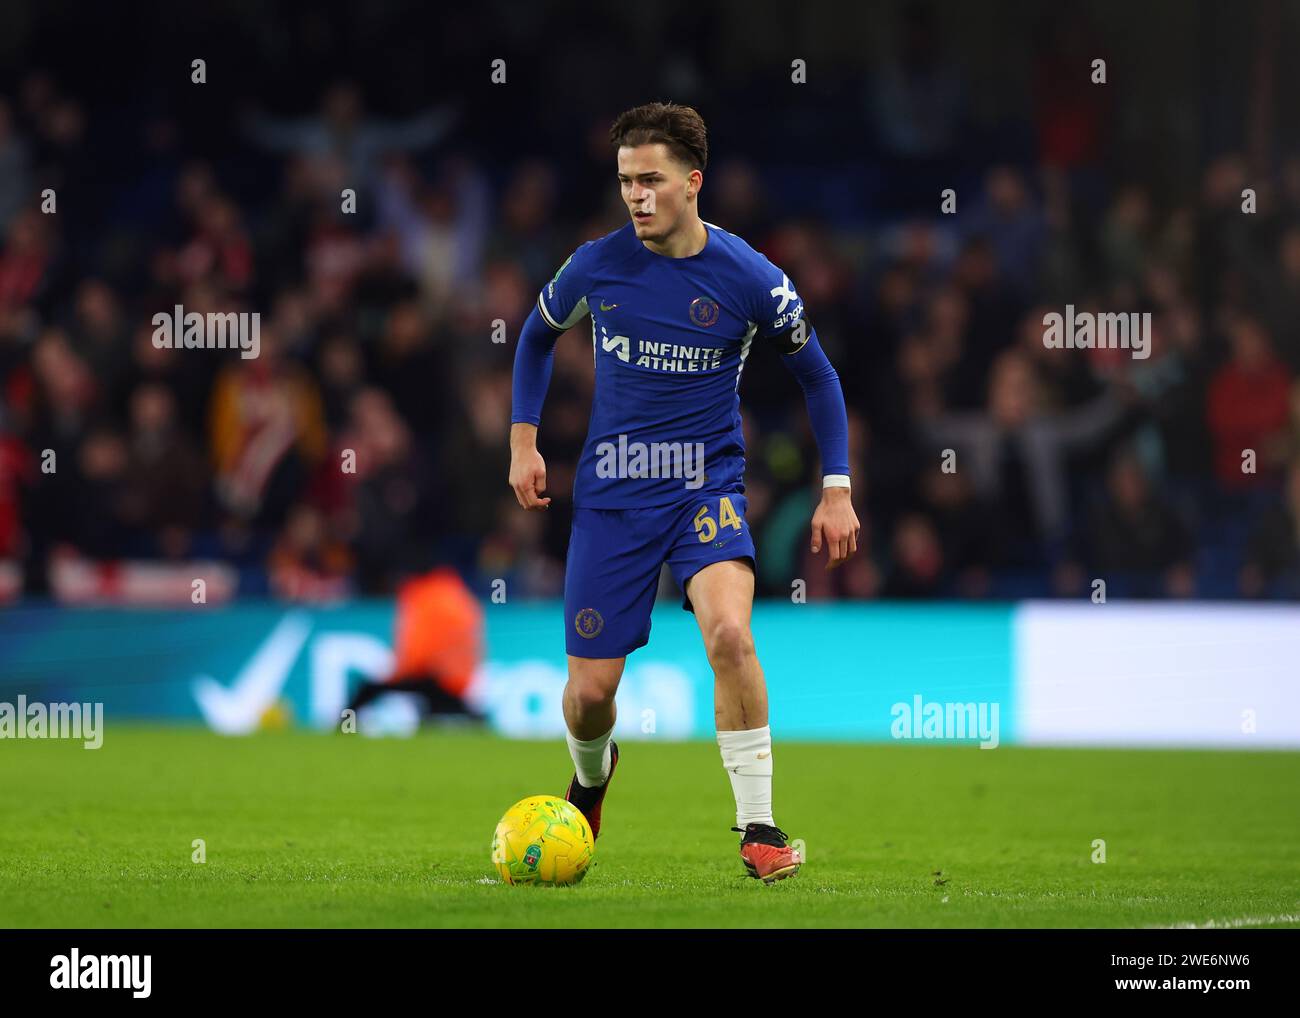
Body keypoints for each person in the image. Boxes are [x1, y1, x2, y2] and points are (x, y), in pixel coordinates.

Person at [508, 103, 858, 882]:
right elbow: (534, 338)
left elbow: (820, 376)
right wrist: (523, 443)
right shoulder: (596, 266)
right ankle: (592, 780)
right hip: (612, 500)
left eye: (651, 180)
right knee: (587, 699)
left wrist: (836, 488)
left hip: (707, 491)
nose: (635, 196)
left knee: (731, 637)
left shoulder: (752, 279)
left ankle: (759, 827)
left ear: (692, 183)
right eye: (626, 181)